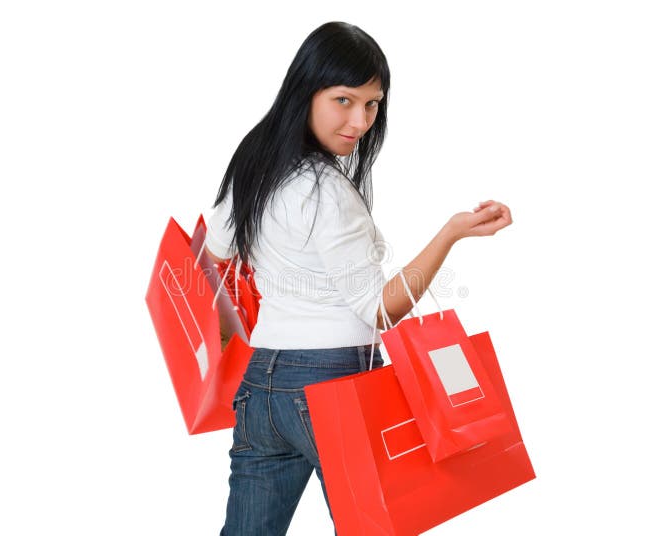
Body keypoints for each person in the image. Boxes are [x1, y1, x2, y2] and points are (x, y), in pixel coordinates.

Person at [203, 21, 512, 536]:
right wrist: (452, 232)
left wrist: (236, 343)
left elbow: (213, 257)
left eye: (372, 104)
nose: (361, 120)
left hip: (260, 388)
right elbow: (380, 309)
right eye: (344, 100)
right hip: (333, 384)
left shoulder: (254, 164)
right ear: (307, 91)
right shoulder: (327, 190)